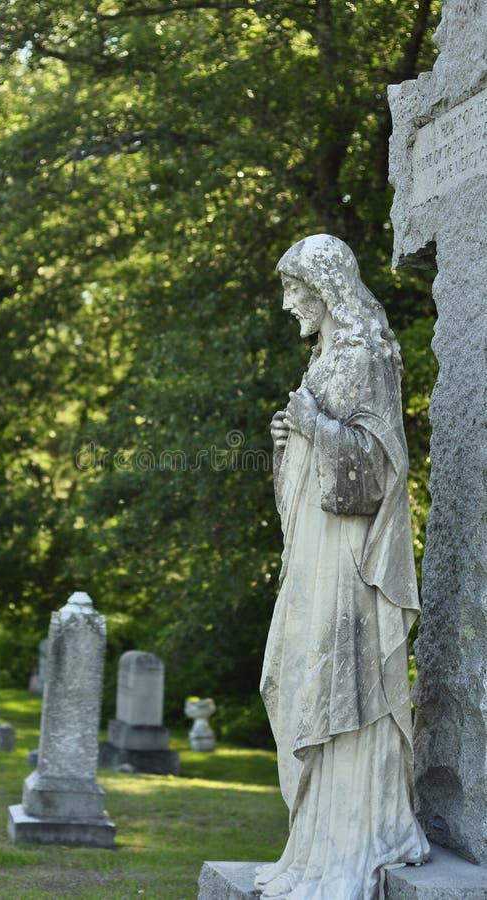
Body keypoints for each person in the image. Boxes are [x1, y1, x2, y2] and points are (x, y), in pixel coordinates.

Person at [255, 234, 429, 900]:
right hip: (314, 551)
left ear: (324, 288)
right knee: (300, 670)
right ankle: (314, 840)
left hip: (348, 560)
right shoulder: (325, 356)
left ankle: (356, 832)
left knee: (342, 679)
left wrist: (314, 427)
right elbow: (318, 448)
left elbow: (380, 466)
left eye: (296, 290)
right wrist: (289, 441)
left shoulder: (361, 354)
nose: (288, 303)